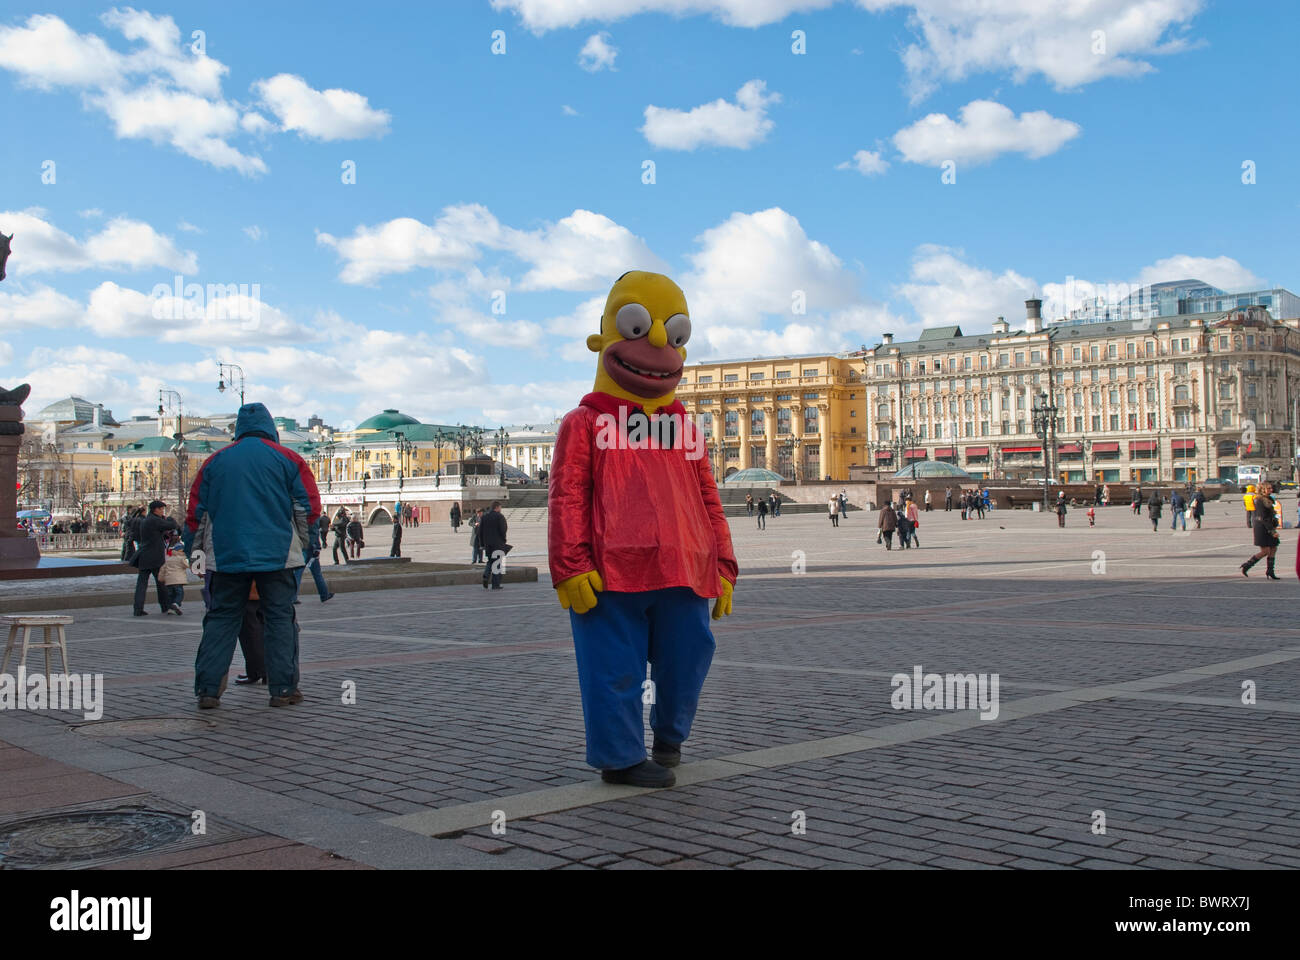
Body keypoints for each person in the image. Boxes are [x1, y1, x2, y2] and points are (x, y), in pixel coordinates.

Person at [548, 270, 736, 790]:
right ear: (605, 336)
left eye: (675, 335)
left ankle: (670, 737)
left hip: (686, 566)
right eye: (638, 328)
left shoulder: (685, 429)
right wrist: (570, 564)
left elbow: (708, 499)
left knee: (688, 658)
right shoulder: (583, 423)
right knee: (613, 667)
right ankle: (621, 757)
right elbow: (567, 495)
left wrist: (723, 564)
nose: (658, 343)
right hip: (610, 572)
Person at [184, 402, 320, 709]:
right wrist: (304, 546)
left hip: (227, 556)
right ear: (271, 428)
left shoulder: (215, 462)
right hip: (278, 555)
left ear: (237, 431)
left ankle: (208, 690)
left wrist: (196, 553)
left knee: (221, 619)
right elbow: (307, 508)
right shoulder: (289, 459)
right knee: (280, 619)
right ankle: (283, 689)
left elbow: (197, 514)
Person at [131, 501, 179, 616]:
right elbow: (171, 525)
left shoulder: (146, 520)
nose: (163, 511)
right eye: (161, 509)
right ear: (155, 509)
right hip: (154, 557)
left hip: (144, 555)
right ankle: (165, 606)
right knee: (161, 582)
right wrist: (170, 519)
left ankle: (138, 609)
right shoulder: (154, 520)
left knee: (142, 584)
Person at [1242, 482, 1280, 579]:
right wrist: (1272, 531)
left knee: (1273, 548)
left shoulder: (1268, 499)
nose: (1271, 490)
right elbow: (1262, 517)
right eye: (1268, 488)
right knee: (1265, 551)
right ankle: (1247, 565)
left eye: (1271, 488)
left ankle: (1270, 571)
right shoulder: (1259, 500)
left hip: (1268, 525)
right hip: (1262, 528)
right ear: (1262, 489)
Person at [158, 529, 189, 615]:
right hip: (178, 580)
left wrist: (161, 578)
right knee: (179, 593)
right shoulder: (181, 558)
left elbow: (162, 569)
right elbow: (186, 565)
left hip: (168, 580)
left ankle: (170, 608)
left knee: (170, 594)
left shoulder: (169, 557)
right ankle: (176, 604)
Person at [479, 501, 509, 589]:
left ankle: (486, 575)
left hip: (488, 544)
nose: (500, 509)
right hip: (498, 543)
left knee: (490, 560)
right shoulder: (500, 516)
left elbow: (480, 532)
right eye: (500, 507)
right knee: (497, 563)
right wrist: (503, 540)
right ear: (497, 507)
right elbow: (503, 529)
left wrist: (482, 544)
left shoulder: (484, 517)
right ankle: (495, 584)